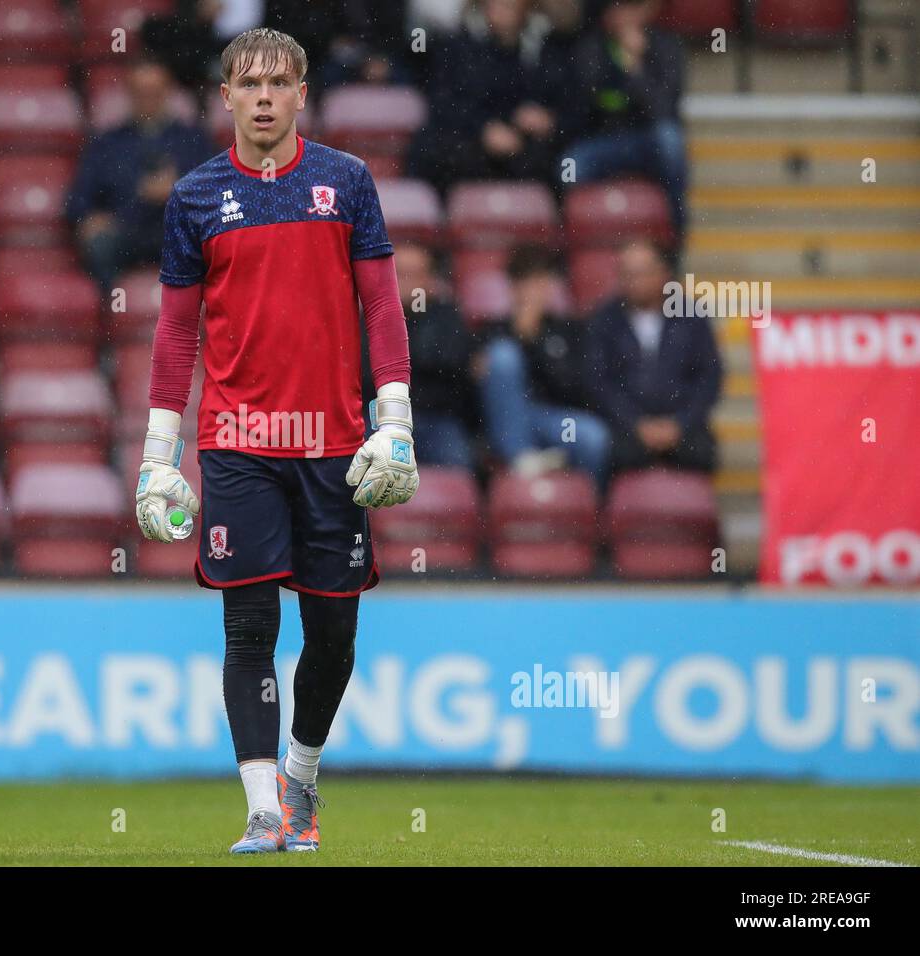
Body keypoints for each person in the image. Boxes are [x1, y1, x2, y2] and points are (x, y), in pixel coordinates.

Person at [137, 28, 417, 854]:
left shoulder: (346, 183)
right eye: (248, 83)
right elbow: (176, 333)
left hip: (334, 443)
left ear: (302, 95)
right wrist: (160, 452)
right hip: (238, 441)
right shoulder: (194, 197)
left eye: (279, 82)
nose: (264, 97)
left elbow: (381, 305)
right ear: (224, 97)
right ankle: (262, 808)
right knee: (248, 627)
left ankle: (301, 777)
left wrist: (392, 417)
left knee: (334, 634)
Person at [64, 58, 215, 293]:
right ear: (129, 94)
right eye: (140, 92)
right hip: (126, 232)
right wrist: (91, 219)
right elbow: (78, 200)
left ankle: (197, 320)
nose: (147, 99)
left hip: (179, 236)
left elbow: (218, 195)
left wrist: (177, 192)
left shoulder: (194, 141)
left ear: (167, 92)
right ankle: (115, 316)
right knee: (100, 244)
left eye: (154, 92)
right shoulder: (107, 143)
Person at [585, 238, 722, 474]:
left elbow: (709, 377)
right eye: (626, 274)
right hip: (627, 427)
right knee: (611, 453)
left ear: (663, 273)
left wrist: (680, 423)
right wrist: (636, 424)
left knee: (702, 453)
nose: (633, 282)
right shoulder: (604, 320)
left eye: (641, 273)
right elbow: (598, 382)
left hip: (682, 426)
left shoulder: (691, 316)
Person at [478, 243, 610, 481]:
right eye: (527, 282)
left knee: (593, 437)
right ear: (513, 287)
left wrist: (534, 342)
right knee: (503, 354)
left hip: (552, 419)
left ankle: (589, 507)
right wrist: (517, 336)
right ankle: (521, 456)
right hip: (505, 420)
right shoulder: (493, 331)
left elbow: (575, 387)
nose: (536, 290)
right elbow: (475, 385)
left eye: (542, 281)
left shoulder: (568, 329)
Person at [407, 0, 566, 194]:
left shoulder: (547, 50)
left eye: (509, 6)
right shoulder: (456, 46)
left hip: (524, 147)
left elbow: (570, 106)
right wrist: (483, 128)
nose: (501, 10)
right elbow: (443, 102)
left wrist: (549, 120)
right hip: (465, 144)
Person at [564, 0, 688, 237]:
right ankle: (572, 244)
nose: (619, 15)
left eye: (628, 8)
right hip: (603, 143)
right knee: (569, 166)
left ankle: (676, 232)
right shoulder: (590, 47)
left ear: (645, 11)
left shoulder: (665, 47)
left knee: (671, 140)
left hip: (646, 142)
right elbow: (581, 106)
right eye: (615, 7)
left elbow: (663, 110)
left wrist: (636, 69)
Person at [364, 242, 477, 470]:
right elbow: (364, 375)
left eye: (414, 275)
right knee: (355, 470)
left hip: (435, 419)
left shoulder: (445, 314)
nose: (405, 282)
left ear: (428, 280)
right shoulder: (368, 316)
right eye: (399, 274)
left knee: (459, 465)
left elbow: (454, 362)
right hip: (381, 422)